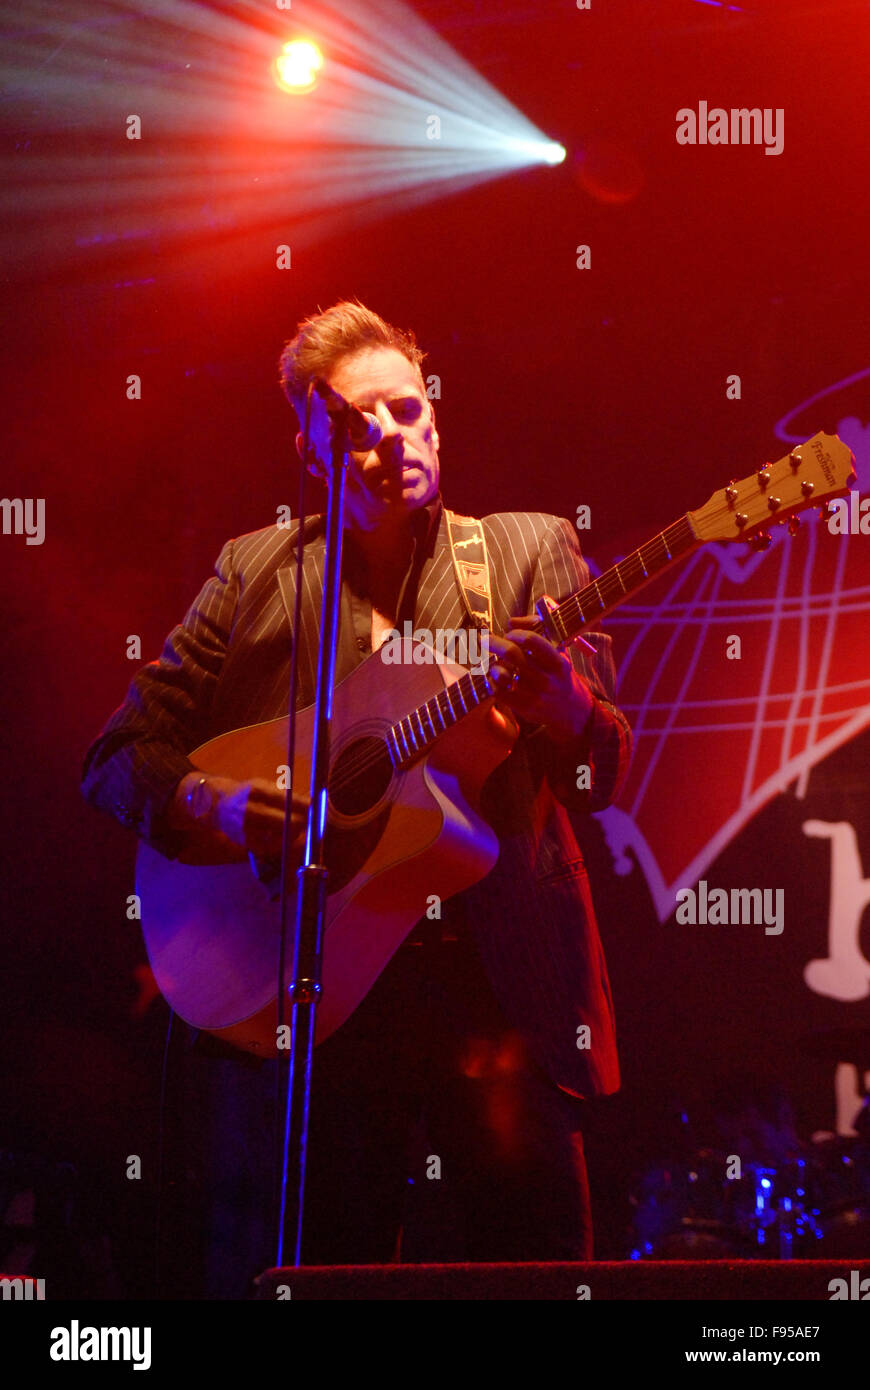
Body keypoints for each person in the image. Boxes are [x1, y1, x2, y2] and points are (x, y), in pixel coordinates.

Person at [81, 300, 632, 1294]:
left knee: (540, 1280)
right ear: (310, 445)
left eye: (409, 411)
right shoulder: (256, 572)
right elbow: (119, 754)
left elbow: (602, 778)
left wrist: (572, 705)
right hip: (318, 1000)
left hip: (499, 996)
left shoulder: (524, 554)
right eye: (358, 425)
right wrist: (221, 805)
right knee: (320, 1279)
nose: (391, 440)